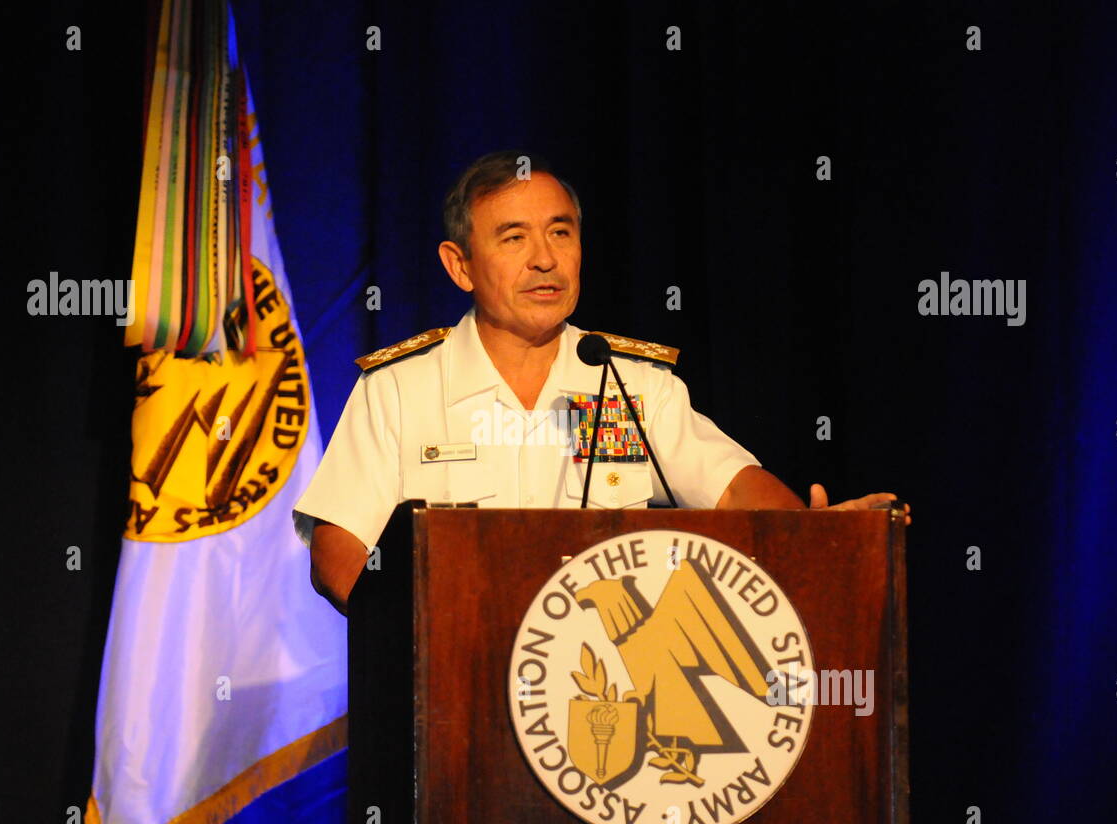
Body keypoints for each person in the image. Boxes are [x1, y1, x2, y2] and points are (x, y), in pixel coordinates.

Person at [295, 151, 909, 615]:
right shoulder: (401, 390)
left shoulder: (632, 385)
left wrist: (813, 533)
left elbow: (732, 487)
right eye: (514, 238)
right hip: (457, 698)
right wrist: (427, 638)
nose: (545, 259)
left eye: (560, 233)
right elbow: (339, 554)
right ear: (460, 266)